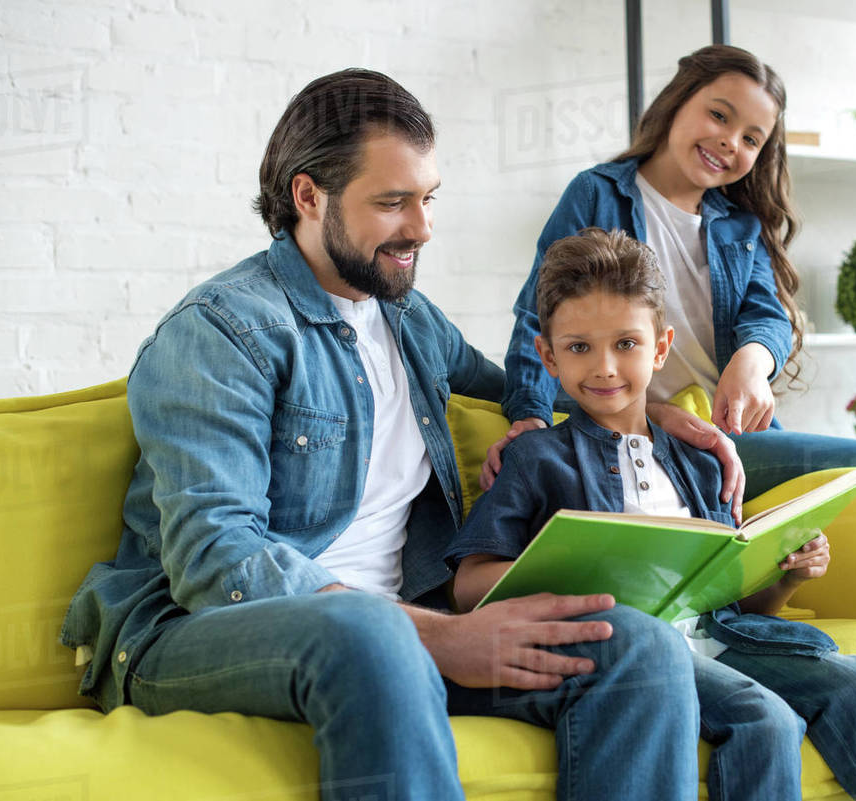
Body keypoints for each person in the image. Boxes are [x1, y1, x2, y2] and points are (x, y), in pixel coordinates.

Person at [59, 69, 704, 801]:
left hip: (398, 622)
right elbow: (216, 560)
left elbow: (538, 384)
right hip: (194, 633)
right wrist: (438, 636)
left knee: (636, 645)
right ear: (308, 197)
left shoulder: (408, 317)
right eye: (393, 202)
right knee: (373, 634)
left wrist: (651, 413)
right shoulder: (223, 331)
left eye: (428, 199)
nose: (423, 228)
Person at [448, 227, 856, 801]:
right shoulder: (536, 459)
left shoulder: (696, 460)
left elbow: (728, 598)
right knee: (765, 718)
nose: (605, 367)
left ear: (660, 348)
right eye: (580, 347)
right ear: (548, 356)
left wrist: (784, 575)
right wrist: (563, 574)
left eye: (626, 344)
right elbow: (467, 588)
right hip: (628, 651)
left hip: (718, 638)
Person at [483, 44, 856, 509]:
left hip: (719, 434)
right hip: (630, 431)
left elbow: (767, 315)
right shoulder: (596, 195)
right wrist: (531, 417)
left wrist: (753, 362)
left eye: (751, 139)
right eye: (720, 116)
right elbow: (538, 318)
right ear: (677, 101)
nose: (731, 141)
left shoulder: (741, 225)